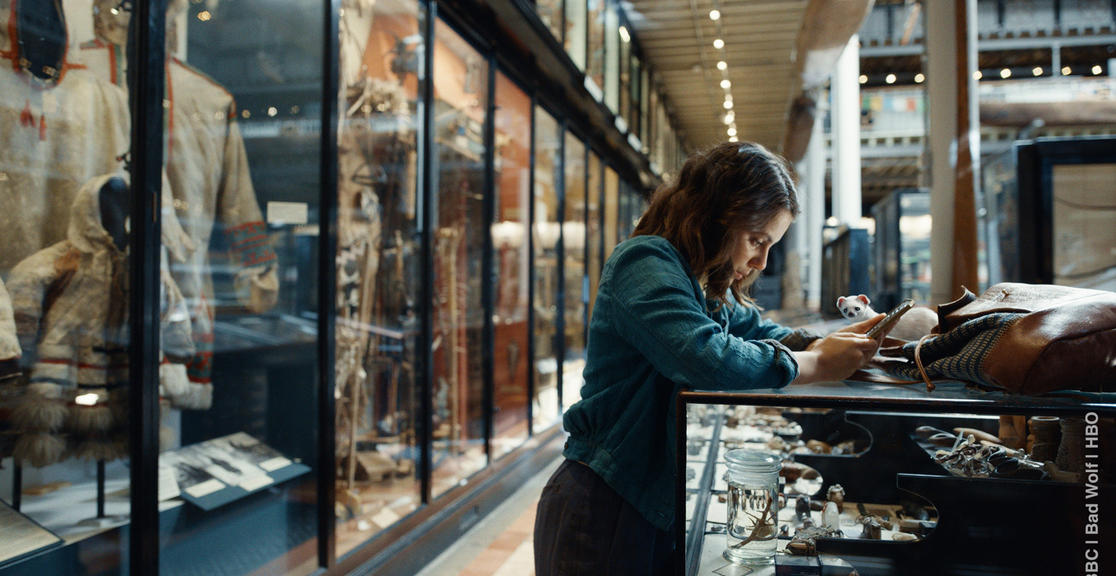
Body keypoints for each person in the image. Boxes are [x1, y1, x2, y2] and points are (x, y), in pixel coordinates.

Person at [533, 142, 883, 575]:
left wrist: (838, 343)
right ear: (718, 216)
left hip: (646, 507)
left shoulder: (695, 279)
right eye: (757, 240)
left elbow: (759, 331)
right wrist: (812, 364)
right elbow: (707, 357)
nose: (760, 261)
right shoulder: (644, 261)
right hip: (603, 506)